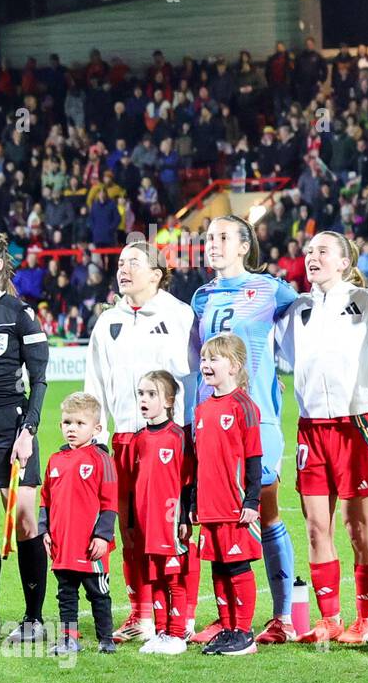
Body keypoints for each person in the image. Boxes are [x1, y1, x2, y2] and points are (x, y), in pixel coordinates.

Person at [189, 215, 299, 646]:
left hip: (259, 418)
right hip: (211, 420)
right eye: (208, 238)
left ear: (243, 245)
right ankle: (229, 619)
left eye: (221, 237)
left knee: (262, 509)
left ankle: (283, 615)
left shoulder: (273, 289)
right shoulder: (202, 297)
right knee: (218, 515)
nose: (212, 244)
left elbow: (301, 325)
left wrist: (281, 376)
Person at [85, 242, 195, 643]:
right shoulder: (108, 322)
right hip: (123, 438)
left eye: (133, 262)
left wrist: (187, 435)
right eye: (119, 263)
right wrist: (96, 438)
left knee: (171, 527)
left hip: (168, 438)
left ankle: (182, 614)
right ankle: (141, 614)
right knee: (128, 528)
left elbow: (192, 380)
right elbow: (94, 382)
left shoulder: (180, 315)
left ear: (156, 272)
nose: (123, 269)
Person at [278, 231, 368, 645]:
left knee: (357, 527)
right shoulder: (298, 308)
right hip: (311, 427)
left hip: (356, 424)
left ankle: (367, 618)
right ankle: (330, 619)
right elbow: (284, 357)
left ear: (344, 261)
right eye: (307, 251)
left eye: (322, 251)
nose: (311, 257)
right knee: (316, 527)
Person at [0, 232, 50, 645]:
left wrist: (29, 430)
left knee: (22, 519)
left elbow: (39, 379)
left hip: (12, 427)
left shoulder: (19, 313)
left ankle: (34, 619)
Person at [191, 333, 264, 656]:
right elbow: (198, 462)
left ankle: (244, 632)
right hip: (208, 504)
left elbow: (253, 458)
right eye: (204, 359)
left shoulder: (244, 406)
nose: (206, 365)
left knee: (236, 567)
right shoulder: (203, 409)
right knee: (218, 567)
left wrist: (252, 500)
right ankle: (227, 626)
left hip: (234, 505)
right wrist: (193, 501)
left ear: (233, 366)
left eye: (214, 359)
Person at [40, 392, 118, 656]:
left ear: (96, 428)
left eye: (79, 423)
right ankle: (69, 640)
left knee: (98, 595)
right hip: (62, 544)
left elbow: (110, 503)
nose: (71, 428)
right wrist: (45, 531)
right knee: (66, 595)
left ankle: (106, 639)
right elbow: (45, 500)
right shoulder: (55, 460)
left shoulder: (101, 459)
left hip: (90, 546)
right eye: (67, 422)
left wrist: (103, 537)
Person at [131, 371, 193, 655]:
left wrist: (185, 517)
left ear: (168, 401)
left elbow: (189, 480)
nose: (144, 399)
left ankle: (178, 634)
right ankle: (161, 632)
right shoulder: (139, 438)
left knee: (173, 578)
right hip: (148, 523)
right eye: (141, 393)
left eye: (151, 394)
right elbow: (136, 483)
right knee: (153, 577)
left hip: (170, 521)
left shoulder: (179, 436)